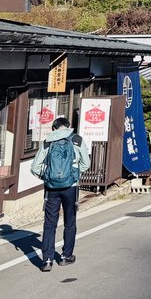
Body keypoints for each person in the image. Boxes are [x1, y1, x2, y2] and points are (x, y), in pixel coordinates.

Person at [30, 116, 91, 272]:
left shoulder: (48, 141)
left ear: (53, 128)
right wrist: (74, 175)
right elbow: (86, 163)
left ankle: (47, 260)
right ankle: (66, 256)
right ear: (68, 126)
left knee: (49, 224)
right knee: (70, 222)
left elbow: (35, 167)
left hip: (51, 188)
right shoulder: (76, 139)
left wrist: (47, 178)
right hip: (71, 187)